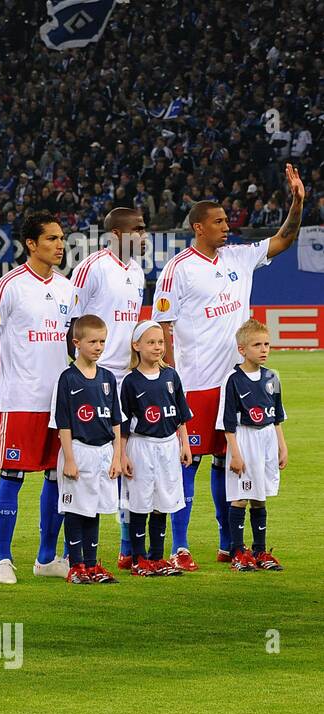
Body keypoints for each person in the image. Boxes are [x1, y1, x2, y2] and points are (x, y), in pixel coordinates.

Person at [152, 164, 304, 571]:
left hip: (235, 383)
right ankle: (180, 547)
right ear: (198, 227)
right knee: (191, 463)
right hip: (197, 382)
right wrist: (170, 377)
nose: (226, 225)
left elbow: (285, 239)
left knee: (228, 464)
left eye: (226, 220)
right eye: (218, 221)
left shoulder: (239, 255)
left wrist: (298, 203)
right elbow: (163, 325)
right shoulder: (177, 269)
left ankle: (228, 544)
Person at [0, 210, 74, 585]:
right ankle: (3, 559)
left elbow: (72, 342)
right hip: (20, 401)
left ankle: (47, 558)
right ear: (31, 244)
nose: (59, 245)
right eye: (52, 239)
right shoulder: (9, 286)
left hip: (57, 404)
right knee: (13, 475)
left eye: (62, 238)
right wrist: (5, 384)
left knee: (56, 477)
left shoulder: (67, 289)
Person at [66, 207, 149, 569]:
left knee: (126, 464)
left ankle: (126, 547)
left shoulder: (138, 272)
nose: (145, 235)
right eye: (139, 229)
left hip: (124, 379)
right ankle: (69, 552)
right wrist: (78, 374)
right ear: (117, 233)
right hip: (92, 378)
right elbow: (69, 323)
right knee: (81, 466)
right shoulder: (93, 268)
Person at [50, 315, 124, 585]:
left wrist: (117, 455)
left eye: (102, 341)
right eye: (93, 341)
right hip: (79, 452)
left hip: (103, 452)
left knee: (95, 510)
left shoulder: (107, 378)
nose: (98, 346)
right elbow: (64, 422)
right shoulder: (68, 379)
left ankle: (92, 565)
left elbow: (116, 419)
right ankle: (76, 565)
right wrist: (69, 459)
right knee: (76, 510)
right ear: (77, 343)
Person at [118, 320, 191, 576]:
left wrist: (185, 444)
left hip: (168, 446)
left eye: (160, 342)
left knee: (163, 500)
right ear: (136, 345)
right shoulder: (130, 382)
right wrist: (122, 454)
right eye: (151, 342)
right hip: (141, 447)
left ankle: (157, 557)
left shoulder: (171, 376)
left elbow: (181, 414)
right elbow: (123, 424)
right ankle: (139, 559)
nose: (157, 347)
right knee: (140, 502)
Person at [217, 319, 286, 572]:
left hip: (267, 440)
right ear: (242, 349)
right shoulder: (233, 380)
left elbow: (277, 416)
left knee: (260, 498)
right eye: (257, 345)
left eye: (267, 344)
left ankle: (260, 551)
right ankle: (238, 552)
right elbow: (227, 423)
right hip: (245, 441)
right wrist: (235, 454)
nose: (264, 349)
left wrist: (282, 446)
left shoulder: (272, 377)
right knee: (241, 498)